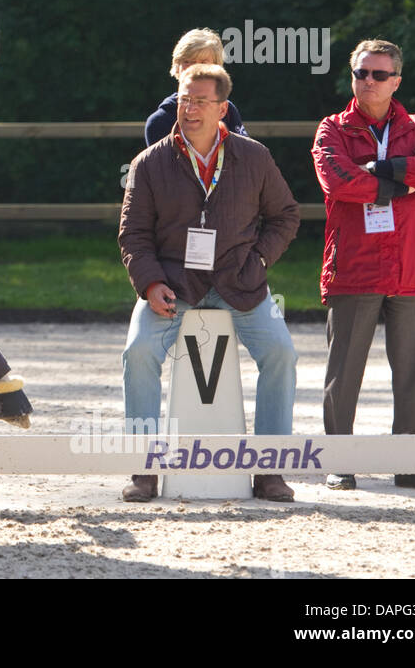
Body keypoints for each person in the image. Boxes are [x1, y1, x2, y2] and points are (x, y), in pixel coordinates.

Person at [119, 64, 300, 502]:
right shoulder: (149, 162)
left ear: (222, 109)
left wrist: (258, 261)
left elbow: (286, 215)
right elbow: (133, 235)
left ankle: (270, 470)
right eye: (184, 99)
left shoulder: (253, 156)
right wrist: (150, 284)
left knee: (281, 353)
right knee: (137, 352)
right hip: (173, 285)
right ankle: (144, 468)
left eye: (201, 100)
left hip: (241, 282)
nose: (190, 108)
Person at [311, 39, 415, 491]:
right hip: (355, 264)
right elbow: (338, 182)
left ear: (396, 81)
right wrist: (400, 184)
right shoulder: (331, 129)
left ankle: (410, 464)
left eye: (378, 74)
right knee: (344, 368)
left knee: (412, 370)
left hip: (411, 265)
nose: (367, 82)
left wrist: (381, 166)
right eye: (360, 73)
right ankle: (339, 461)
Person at [144, 28, 247, 146]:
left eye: (203, 62)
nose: (195, 68)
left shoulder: (226, 110)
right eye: (188, 61)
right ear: (177, 66)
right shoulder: (160, 122)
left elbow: (245, 158)